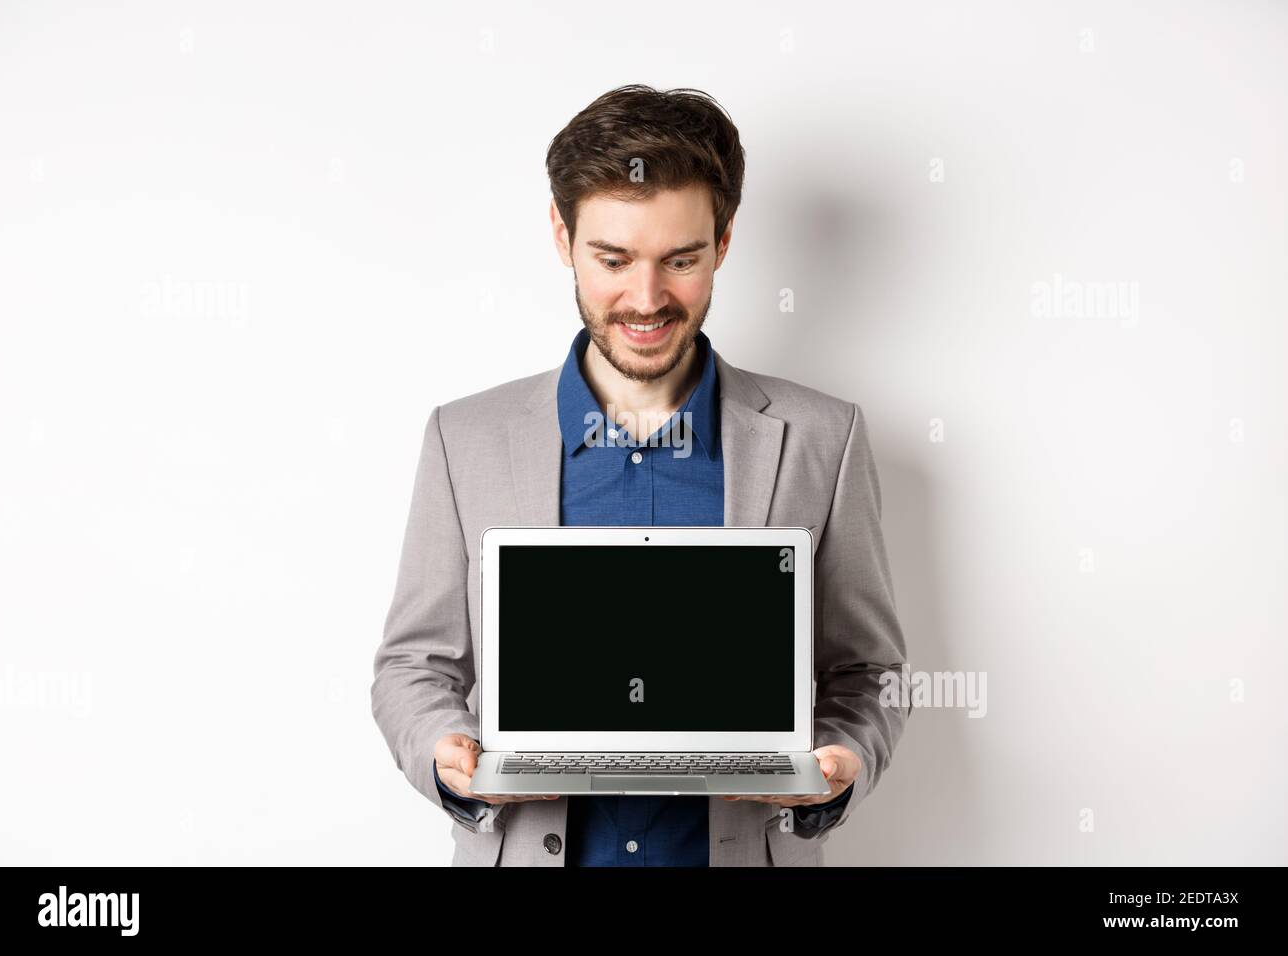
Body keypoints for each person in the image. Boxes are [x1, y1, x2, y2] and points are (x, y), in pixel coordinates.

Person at [371, 84, 910, 866]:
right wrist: (445, 753)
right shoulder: (465, 439)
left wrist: (841, 762)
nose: (647, 299)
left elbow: (868, 670)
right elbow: (412, 665)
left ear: (724, 242)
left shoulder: (823, 438)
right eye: (613, 259)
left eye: (681, 260)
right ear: (562, 234)